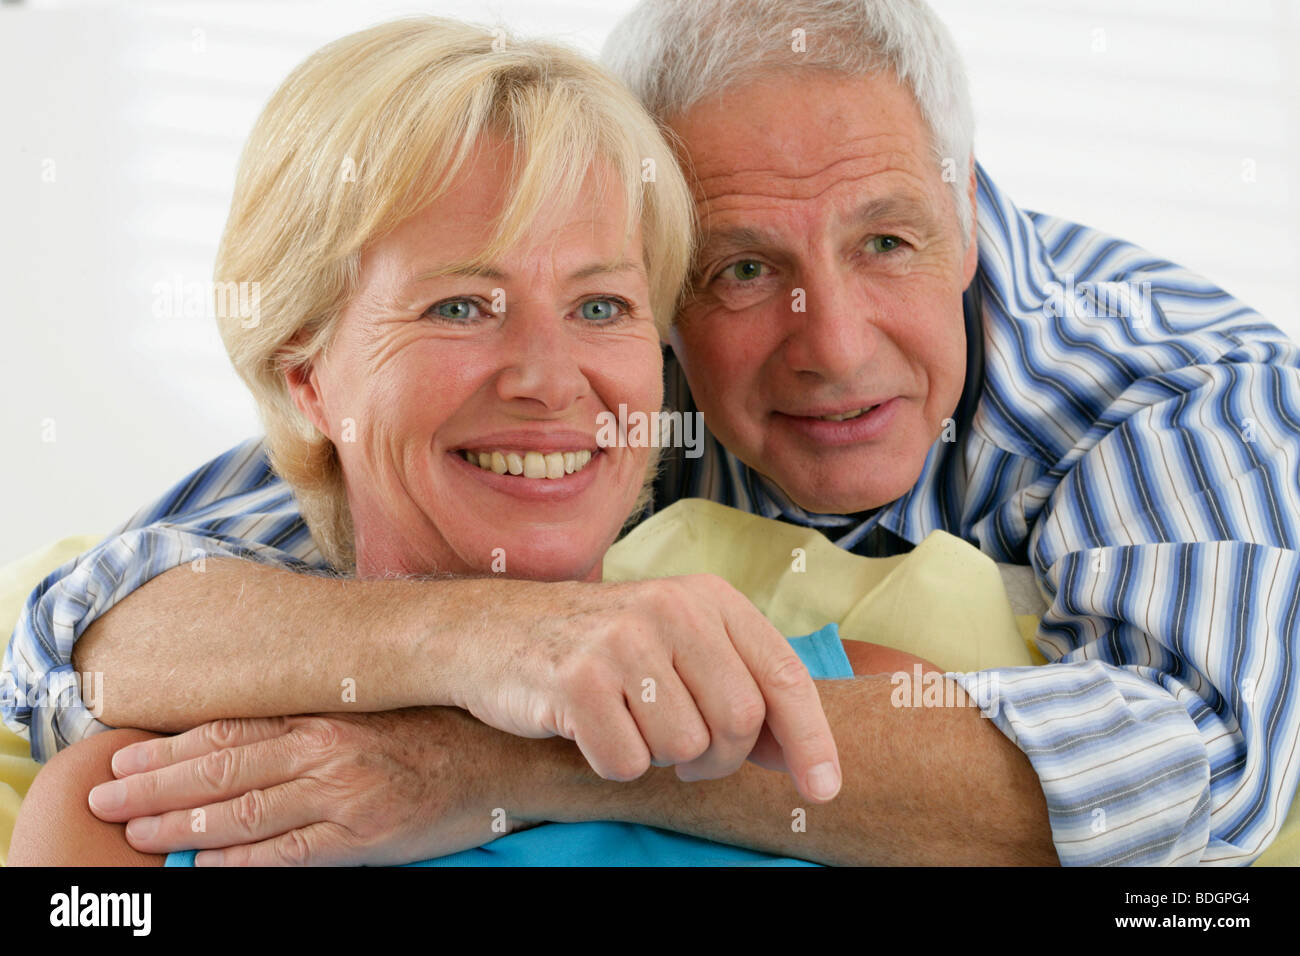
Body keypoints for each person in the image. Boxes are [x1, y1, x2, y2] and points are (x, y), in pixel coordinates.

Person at [8, 0, 1299, 867]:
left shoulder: (1175, 388)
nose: (835, 347)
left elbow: (1197, 773)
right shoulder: (596, 356)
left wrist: (520, 754)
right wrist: (486, 642)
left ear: (963, 214)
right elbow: (109, 610)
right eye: (739, 268)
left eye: (888, 240)